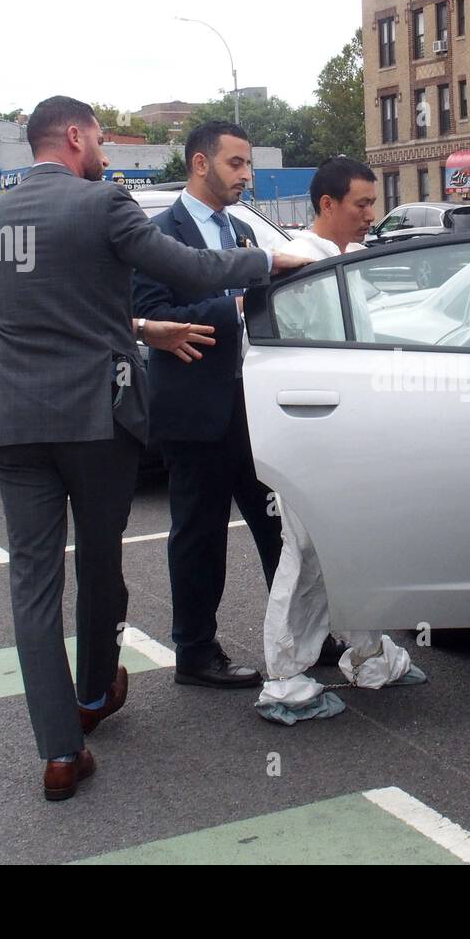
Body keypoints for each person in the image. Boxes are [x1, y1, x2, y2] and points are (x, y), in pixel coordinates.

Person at [0, 95, 309, 799]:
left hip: (12, 421)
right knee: (99, 567)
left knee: (32, 587)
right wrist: (264, 263)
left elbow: (38, 310)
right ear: (73, 136)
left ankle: (61, 751)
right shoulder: (104, 205)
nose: (102, 149)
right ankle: (94, 691)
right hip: (95, 418)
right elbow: (186, 268)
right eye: (97, 136)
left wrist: (139, 328)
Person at [254, 157, 426, 726]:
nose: (370, 215)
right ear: (327, 204)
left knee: (346, 551)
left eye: (373, 203)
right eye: (361, 204)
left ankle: (370, 654)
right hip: (316, 437)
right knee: (305, 555)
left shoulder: (338, 261)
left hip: (344, 433)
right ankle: (284, 677)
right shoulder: (304, 266)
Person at [132, 122, 282, 689]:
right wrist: (234, 306)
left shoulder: (242, 231)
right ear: (201, 164)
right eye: (236, 164)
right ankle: (194, 653)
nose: (246, 175)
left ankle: (303, 635)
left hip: (257, 408)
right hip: (195, 412)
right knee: (199, 536)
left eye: (248, 165)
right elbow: (151, 314)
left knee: (279, 528)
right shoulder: (156, 235)